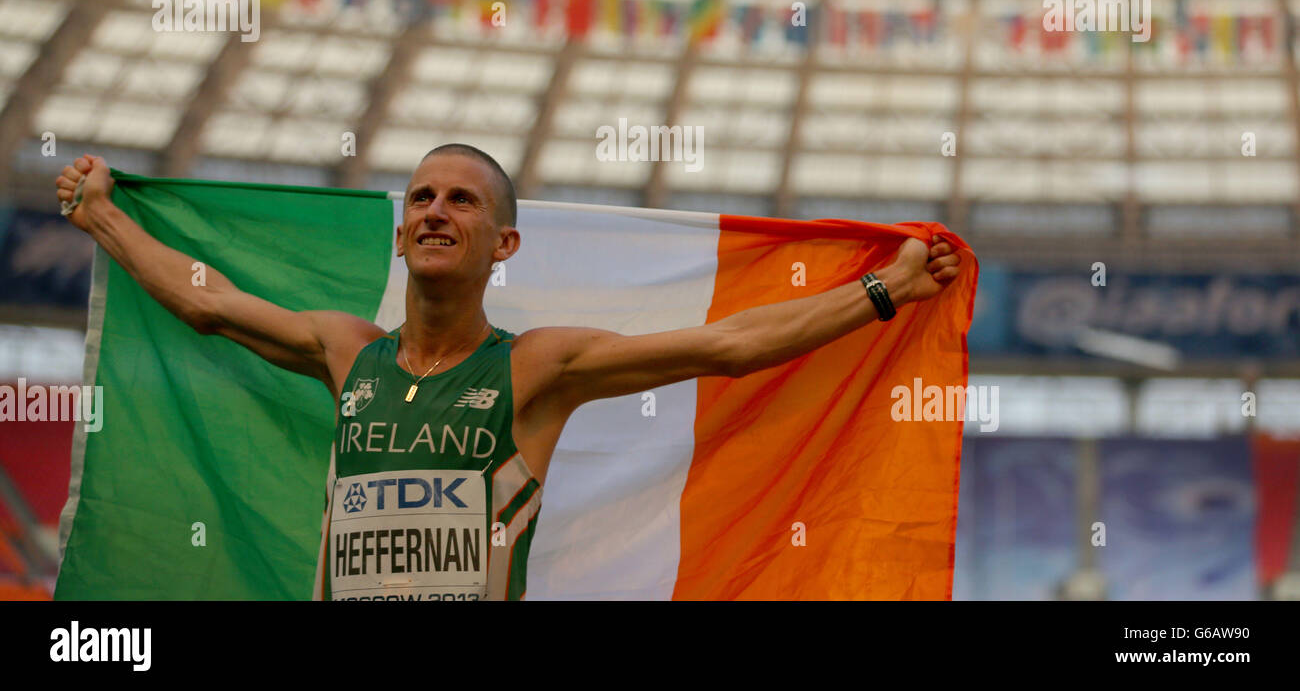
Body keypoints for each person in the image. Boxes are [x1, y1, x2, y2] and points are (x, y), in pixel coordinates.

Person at [56, 143, 964, 600]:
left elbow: (724, 347)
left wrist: (884, 289)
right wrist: (104, 218)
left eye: (463, 199)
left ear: (506, 243)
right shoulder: (347, 352)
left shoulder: (539, 366)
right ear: (400, 232)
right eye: (420, 198)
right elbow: (207, 302)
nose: (437, 210)